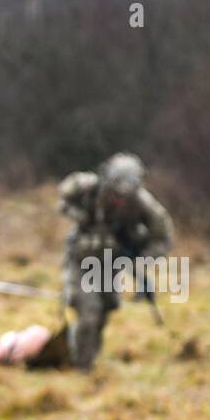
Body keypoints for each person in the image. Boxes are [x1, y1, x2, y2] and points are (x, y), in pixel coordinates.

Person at [57, 152, 174, 371]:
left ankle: (83, 357)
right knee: (89, 312)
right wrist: (77, 214)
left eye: (126, 194)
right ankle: (80, 368)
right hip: (80, 261)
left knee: (103, 311)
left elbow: (163, 236)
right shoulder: (88, 188)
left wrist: (141, 262)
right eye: (115, 191)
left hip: (110, 267)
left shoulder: (142, 204)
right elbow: (64, 197)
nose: (119, 199)